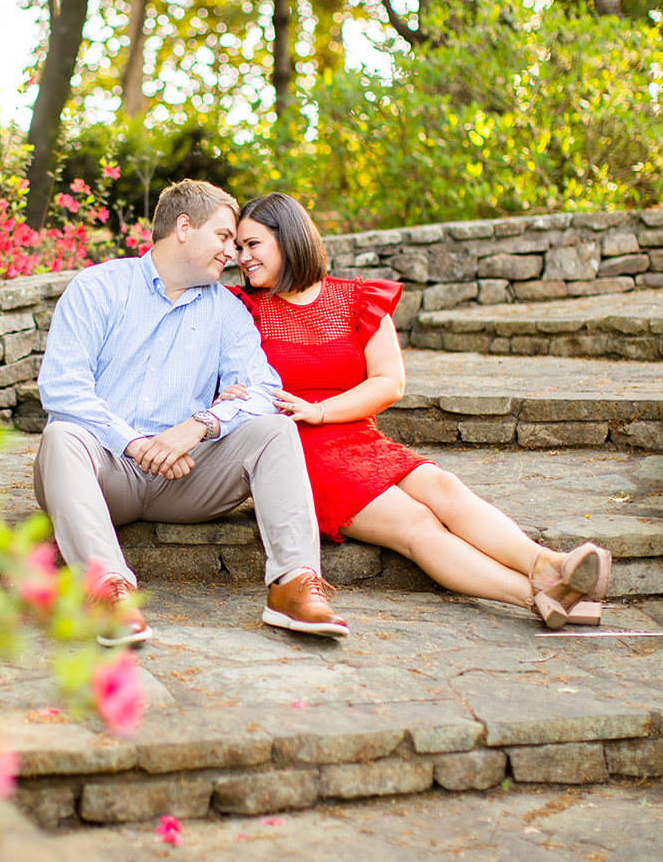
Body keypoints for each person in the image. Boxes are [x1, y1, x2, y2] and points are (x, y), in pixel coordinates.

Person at [222, 192, 610, 628]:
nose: (242, 257)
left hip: (359, 436)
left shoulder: (357, 297)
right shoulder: (242, 309)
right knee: (417, 522)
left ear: (289, 237)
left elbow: (390, 382)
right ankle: (536, 596)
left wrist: (323, 410)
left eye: (252, 244)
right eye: (238, 247)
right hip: (297, 453)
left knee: (444, 486)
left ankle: (547, 564)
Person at [33, 180, 349, 647]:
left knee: (275, 429)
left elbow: (265, 389)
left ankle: (293, 585)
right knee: (61, 435)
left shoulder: (226, 311)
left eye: (238, 243)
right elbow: (63, 389)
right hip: (103, 471)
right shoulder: (98, 288)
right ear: (184, 227)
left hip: (183, 477)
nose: (234, 254)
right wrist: (138, 444)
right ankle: (107, 591)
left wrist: (202, 424)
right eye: (224, 237)